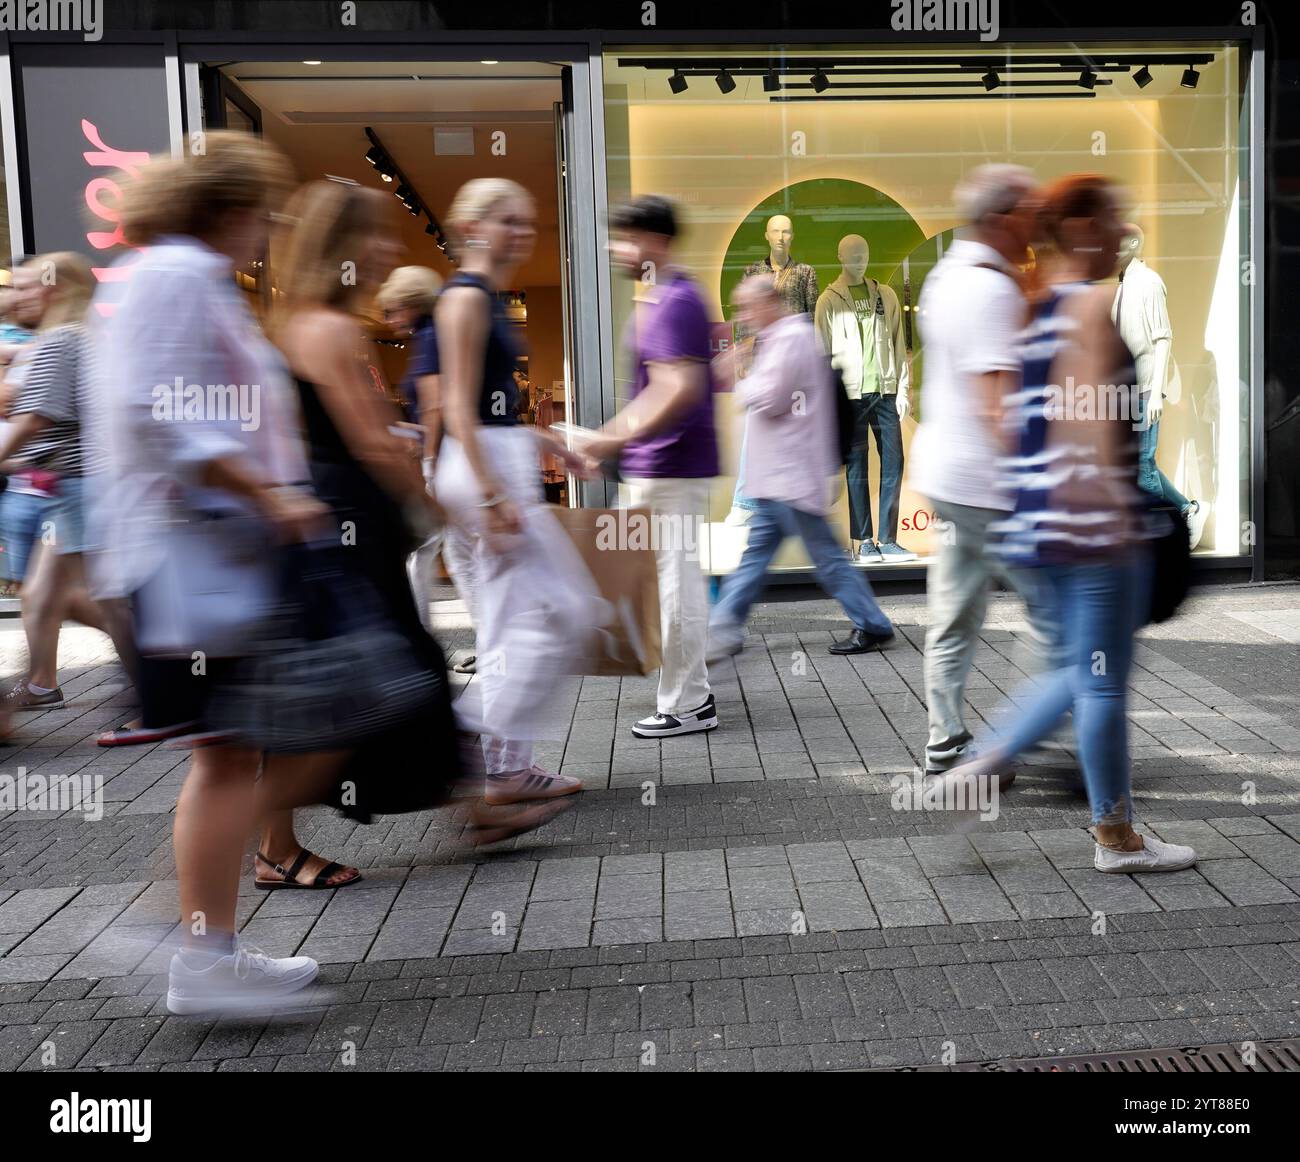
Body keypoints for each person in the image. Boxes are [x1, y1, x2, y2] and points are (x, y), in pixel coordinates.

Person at [100, 132, 338, 1014]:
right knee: (230, 757)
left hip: (197, 557)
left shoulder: (179, 278)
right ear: (234, 211)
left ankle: (208, 950)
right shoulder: (175, 279)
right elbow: (154, 411)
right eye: (266, 212)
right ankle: (200, 955)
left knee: (233, 753)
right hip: (185, 561)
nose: (272, 230)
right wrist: (269, 495)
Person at [275, 178, 576, 835]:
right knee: (401, 668)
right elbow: (375, 444)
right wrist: (440, 502)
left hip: (348, 515)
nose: (388, 249)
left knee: (407, 664)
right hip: (359, 517)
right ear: (342, 248)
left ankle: (478, 799)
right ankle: (479, 789)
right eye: (375, 237)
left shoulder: (307, 325)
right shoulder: (332, 330)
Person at [946, 174, 1197, 875]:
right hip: (1088, 529)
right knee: (1102, 683)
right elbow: (1084, 417)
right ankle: (1115, 838)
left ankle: (982, 766)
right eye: (1114, 219)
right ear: (1083, 228)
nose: (1123, 232)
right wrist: (1117, 517)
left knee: (1076, 671)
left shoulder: (1035, 307)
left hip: (1036, 528)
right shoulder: (1090, 306)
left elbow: (1010, 421)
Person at [434, 177, 599, 802]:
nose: (523, 232)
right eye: (509, 220)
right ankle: (470, 737)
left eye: (527, 221)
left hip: (493, 464)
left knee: (517, 625)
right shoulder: (468, 300)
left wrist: (550, 445)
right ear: (473, 228)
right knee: (562, 613)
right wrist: (492, 494)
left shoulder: (484, 297)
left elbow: (488, 413)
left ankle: (505, 765)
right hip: (485, 473)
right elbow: (457, 410)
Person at [910, 165, 1057, 781]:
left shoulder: (948, 274)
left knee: (954, 612)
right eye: (1030, 211)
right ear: (1002, 218)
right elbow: (1000, 406)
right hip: (988, 485)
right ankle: (1040, 740)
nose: (1038, 223)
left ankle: (945, 742)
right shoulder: (992, 290)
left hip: (945, 478)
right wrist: (1040, 483)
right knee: (1057, 617)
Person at [582, 195, 719, 739]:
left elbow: (678, 388)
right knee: (661, 585)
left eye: (624, 237)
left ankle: (686, 704)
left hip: (668, 468)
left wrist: (606, 439)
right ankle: (693, 695)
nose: (615, 247)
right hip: (657, 466)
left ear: (654, 242)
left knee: (672, 588)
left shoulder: (675, 301)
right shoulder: (663, 298)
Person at [707, 274, 894, 661]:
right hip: (779, 478)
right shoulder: (783, 339)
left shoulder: (791, 339)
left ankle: (873, 623)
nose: (743, 315)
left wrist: (736, 376)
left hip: (791, 477)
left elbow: (772, 399)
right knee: (757, 559)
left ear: (767, 302)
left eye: (746, 306)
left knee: (824, 559)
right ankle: (723, 629)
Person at [0, 253, 136, 711]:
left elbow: (36, 417)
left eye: (24, 287)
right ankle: (36, 686)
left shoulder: (61, 339)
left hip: (80, 486)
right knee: (42, 593)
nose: (15, 297)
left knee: (108, 599)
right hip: (71, 488)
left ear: (53, 289)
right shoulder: (77, 337)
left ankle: (164, 688)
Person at [377, 263, 477, 666]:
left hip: (444, 458)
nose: (390, 319)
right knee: (447, 553)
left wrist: (429, 459)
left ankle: (422, 639)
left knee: (438, 553)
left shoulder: (430, 337)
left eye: (394, 309)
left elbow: (436, 406)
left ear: (411, 303)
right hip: (446, 453)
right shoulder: (431, 334)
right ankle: (443, 638)